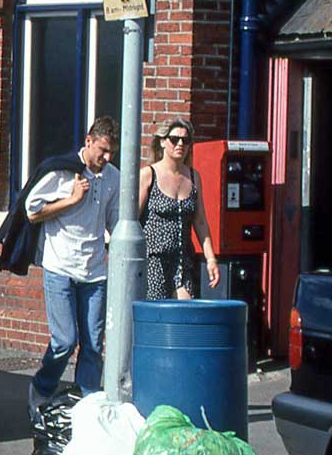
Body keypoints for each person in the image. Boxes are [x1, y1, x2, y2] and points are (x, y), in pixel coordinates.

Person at [24, 116, 120, 416]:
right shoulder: (63, 171)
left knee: (92, 346)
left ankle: (86, 407)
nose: (105, 158)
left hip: (95, 272)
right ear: (88, 141)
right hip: (60, 267)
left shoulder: (113, 177)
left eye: (111, 153)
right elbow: (32, 211)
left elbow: (114, 222)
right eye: (102, 150)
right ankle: (41, 388)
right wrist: (72, 199)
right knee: (65, 341)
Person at [138, 118, 220, 300]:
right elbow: (132, 219)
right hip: (153, 260)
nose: (180, 144)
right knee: (157, 316)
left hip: (182, 261)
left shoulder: (193, 176)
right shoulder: (148, 175)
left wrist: (211, 259)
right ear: (163, 141)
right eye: (174, 139)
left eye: (186, 140)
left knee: (185, 312)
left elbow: (200, 221)